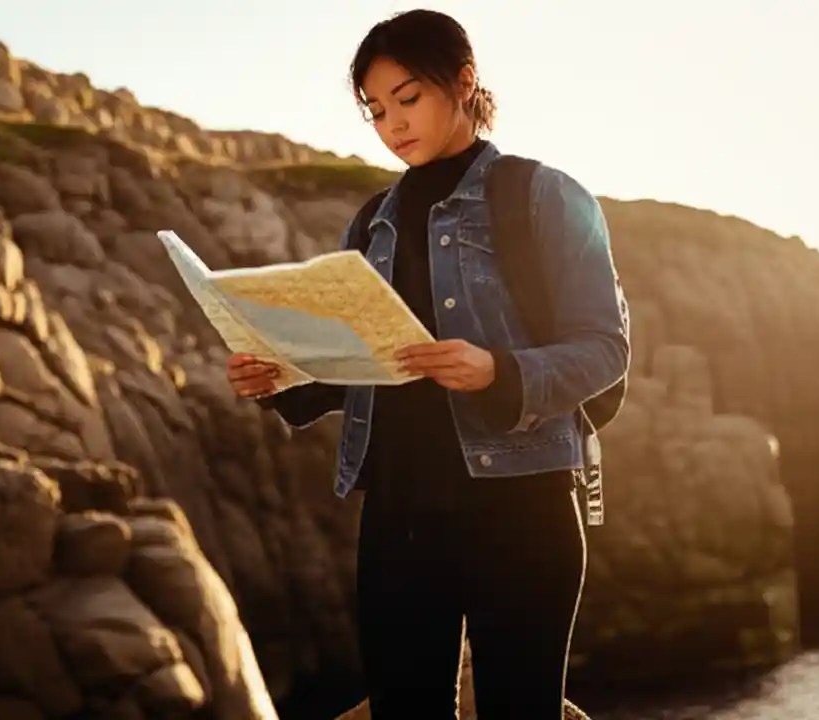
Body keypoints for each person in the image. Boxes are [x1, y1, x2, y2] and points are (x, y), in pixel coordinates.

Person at [225, 9, 630, 720]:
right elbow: (368, 363)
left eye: (407, 99)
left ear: (464, 83)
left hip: (523, 507)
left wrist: (498, 370)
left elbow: (605, 347)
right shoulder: (371, 219)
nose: (392, 125)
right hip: (397, 514)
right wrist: (281, 376)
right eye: (376, 111)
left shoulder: (545, 195)